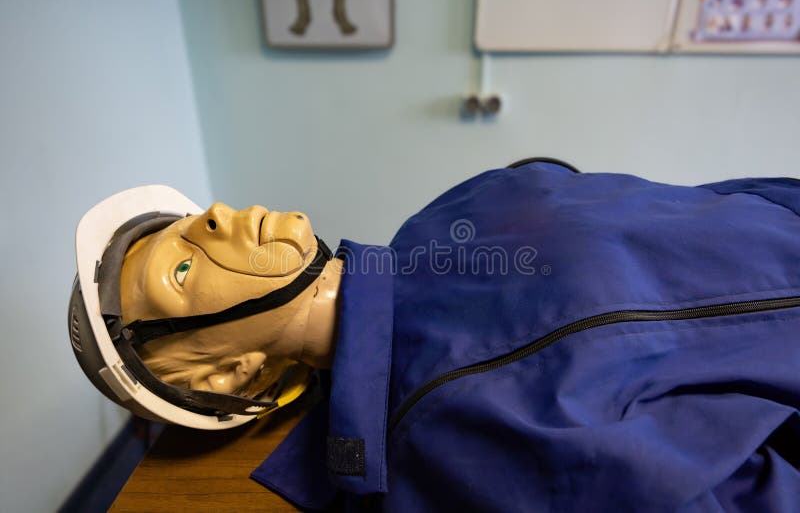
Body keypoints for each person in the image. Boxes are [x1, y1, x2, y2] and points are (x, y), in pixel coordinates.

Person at [70, 159, 800, 511]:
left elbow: (694, 204)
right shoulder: (464, 424)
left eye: (193, 220)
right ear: (233, 376)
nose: (215, 214)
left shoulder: (462, 203)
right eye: (184, 267)